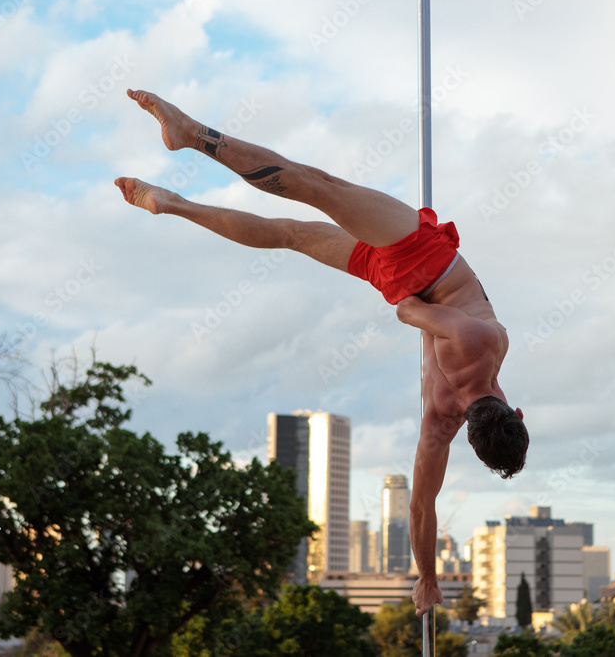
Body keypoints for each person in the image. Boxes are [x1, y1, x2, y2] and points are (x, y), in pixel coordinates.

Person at [114, 90, 528, 615]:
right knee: (287, 235)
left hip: (416, 256)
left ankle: (191, 135)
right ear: (471, 437)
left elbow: (410, 312)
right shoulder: (438, 425)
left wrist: (424, 306)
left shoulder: (487, 343)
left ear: (516, 413)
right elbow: (421, 509)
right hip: (388, 274)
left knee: (315, 186)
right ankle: (171, 203)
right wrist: (426, 578)